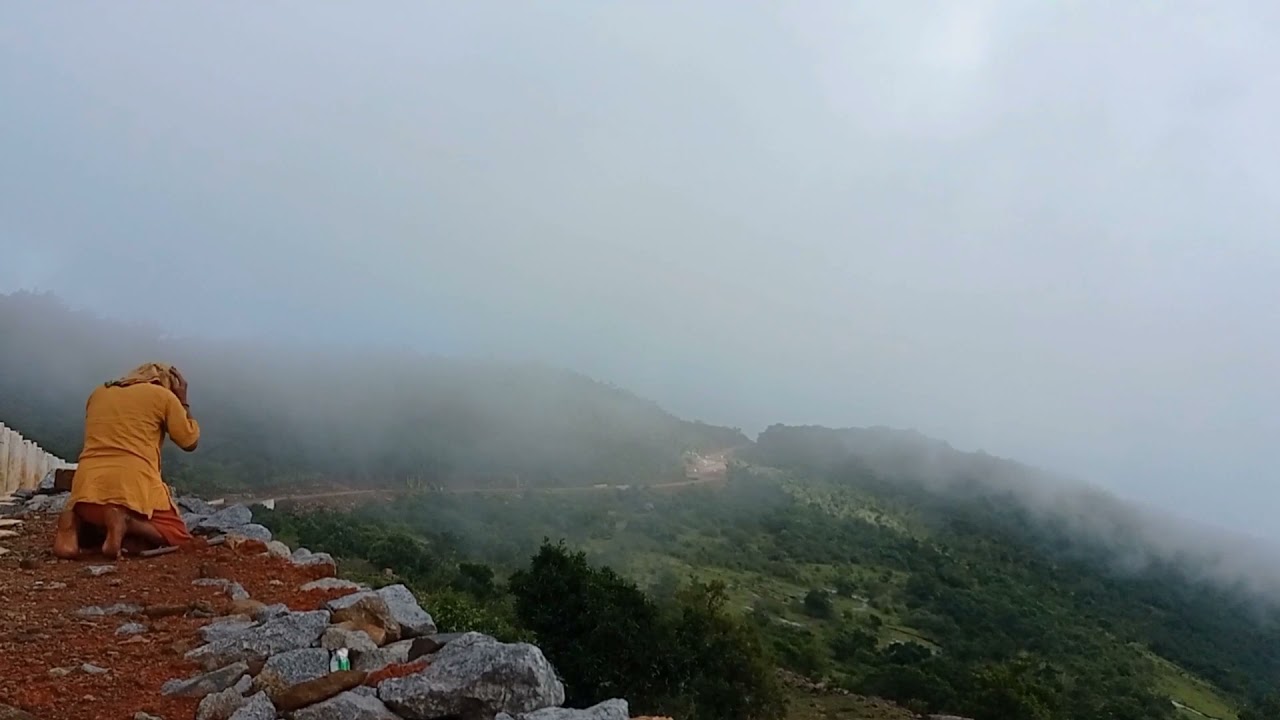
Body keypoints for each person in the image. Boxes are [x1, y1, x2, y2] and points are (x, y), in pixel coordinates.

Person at [53, 363, 200, 560]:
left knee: (98, 521)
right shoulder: (163, 396)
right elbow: (189, 441)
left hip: (86, 488)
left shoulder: (99, 393)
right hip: (132, 485)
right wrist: (182, 402)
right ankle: (128, 522)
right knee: (177, 534)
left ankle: (74, 522)